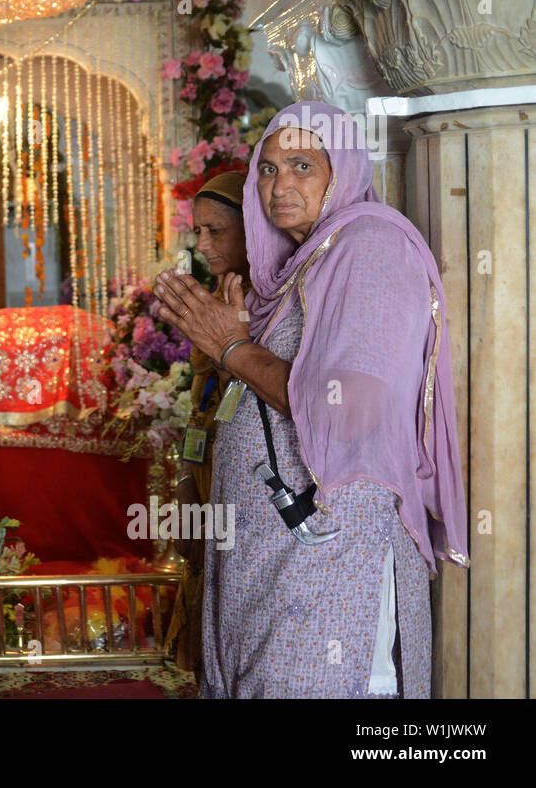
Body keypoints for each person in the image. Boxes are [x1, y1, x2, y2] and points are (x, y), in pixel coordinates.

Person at [153, 102, 468, 698]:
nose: (280, 185)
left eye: (302, 165)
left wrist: (235, 349)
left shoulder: (369, 244)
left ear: (342, 170)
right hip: (279, 557)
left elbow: (352, 408)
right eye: (267, 170)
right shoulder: (301, 265)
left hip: (330, 556)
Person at [164, 170, 250, 684]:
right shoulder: (221, 290)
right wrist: (186, 480)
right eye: (198, 231)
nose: (201, 243)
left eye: (216, 231)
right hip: (206, 466)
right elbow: (205, 406)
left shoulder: (268, 301)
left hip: (242, 481)